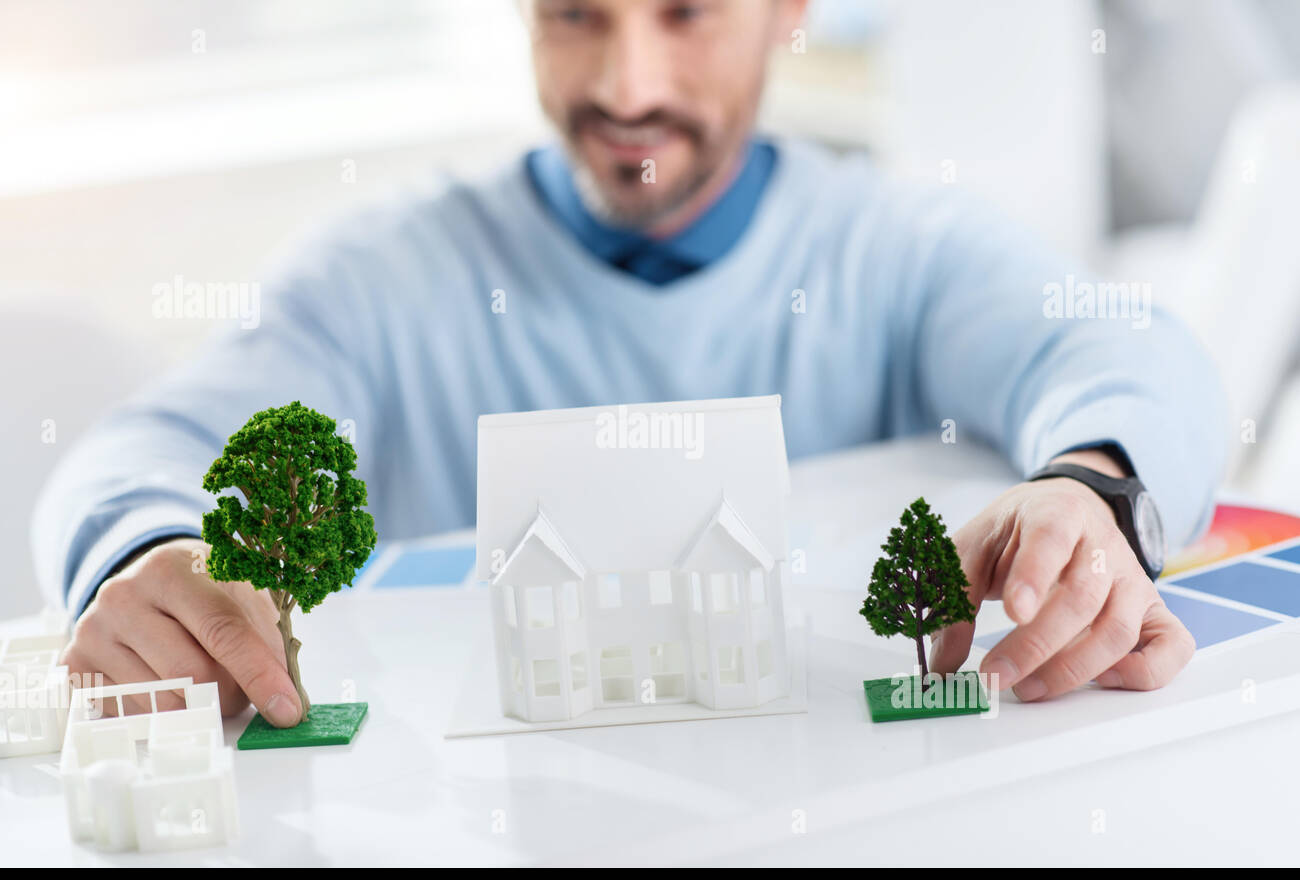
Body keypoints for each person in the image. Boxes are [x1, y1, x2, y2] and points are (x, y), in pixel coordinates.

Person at [33, 0, 1228, 727]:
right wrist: (148, 552)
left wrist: (1091, 483)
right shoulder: (380, 277)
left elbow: (1127, 345)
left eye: (687, 12)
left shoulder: (895, 247)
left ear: (788, 9)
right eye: (573, 14)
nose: (628, 86)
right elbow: (143, 449)